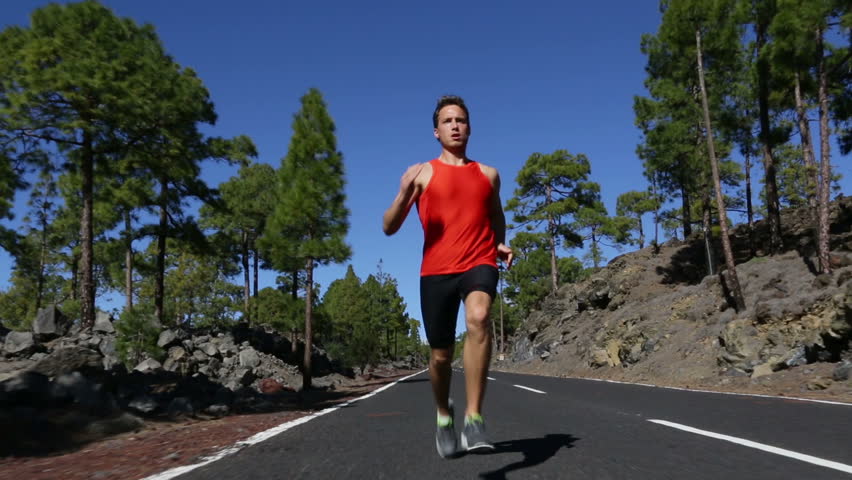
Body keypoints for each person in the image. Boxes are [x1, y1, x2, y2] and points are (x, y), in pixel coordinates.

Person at [382, 95, 513, 458]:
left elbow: (496, 215)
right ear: (436, 131)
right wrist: (405, 192)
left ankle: (474, 417)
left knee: (479, 317)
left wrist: (499, 244)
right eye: (448, 121)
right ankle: (444, 414)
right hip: (436, 270)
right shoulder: (421, 173)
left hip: (479, 260)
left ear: (469, 127)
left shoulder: (488, 174)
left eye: (461, 120)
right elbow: (388, 227)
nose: (455, 126)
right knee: (440, 356)